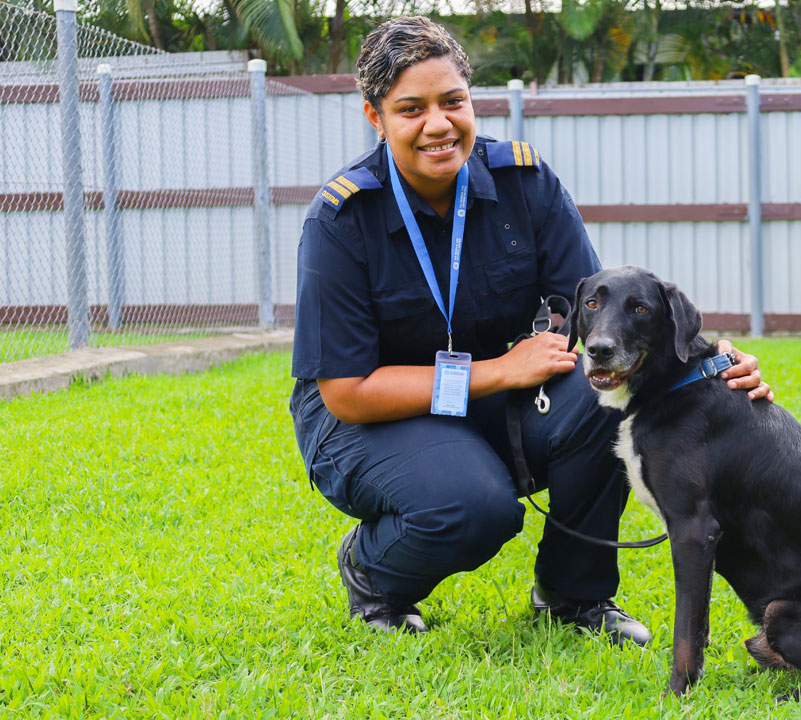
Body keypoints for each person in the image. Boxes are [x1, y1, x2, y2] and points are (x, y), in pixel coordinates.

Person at [288, 16, 773, 644]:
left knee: (611, 399)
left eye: (452, 101)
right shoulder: (342, 216)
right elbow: (347, 390)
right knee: (475, 507)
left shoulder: (524, 181)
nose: (438, 124)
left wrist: (707, 363)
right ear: (375, 117)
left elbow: (601, 314)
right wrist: (494, 373)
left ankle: (574, 596)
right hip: (370, 417)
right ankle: (373, 572)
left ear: (470, 100)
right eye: (411, 109)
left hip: (499, 393)